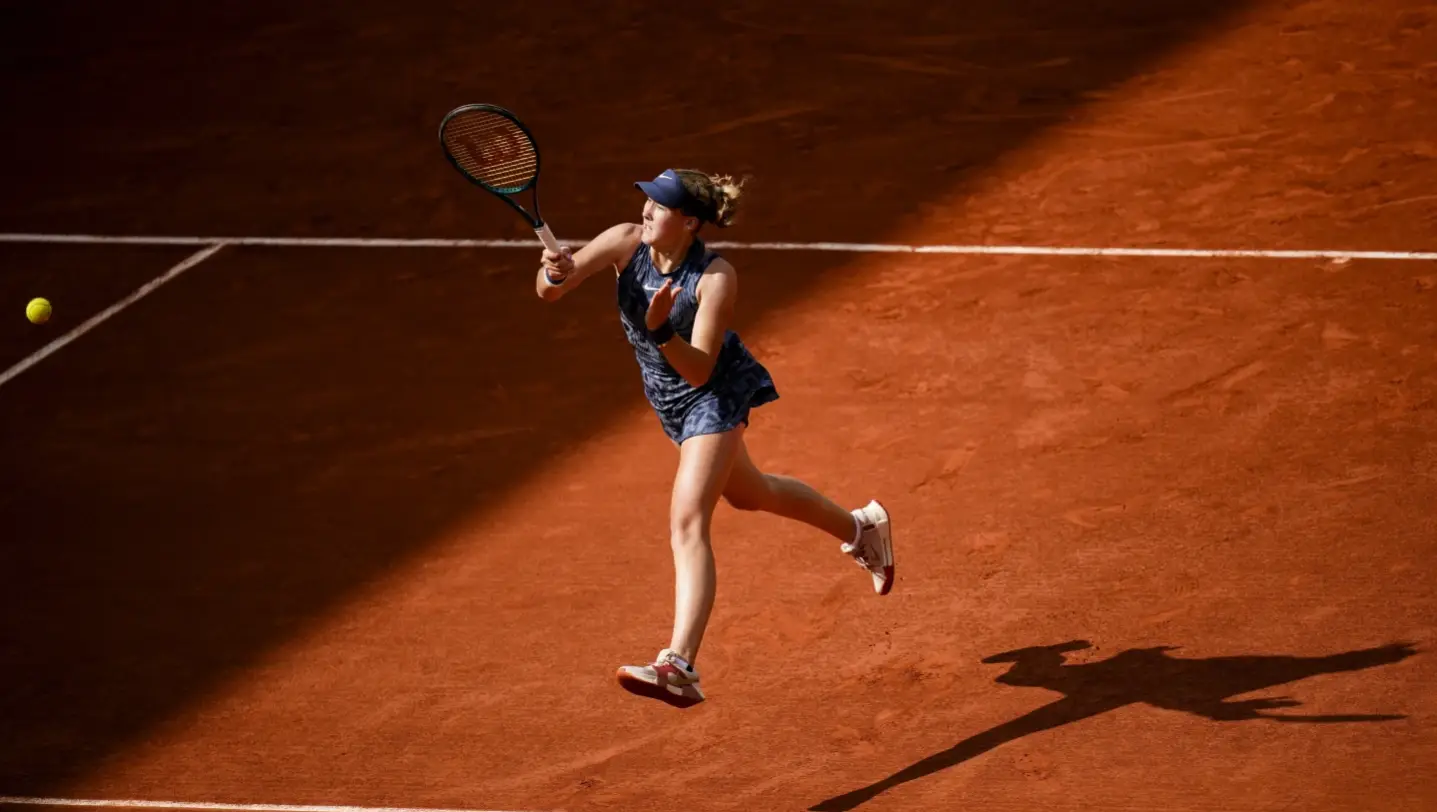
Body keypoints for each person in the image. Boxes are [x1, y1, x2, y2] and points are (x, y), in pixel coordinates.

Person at [535, 168, 895, 708]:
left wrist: (660, 330)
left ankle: (679, 664)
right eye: (646, 202)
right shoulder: (624, 242)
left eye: (659, 206)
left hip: (712, 395)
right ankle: (862, 529)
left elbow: (701, 370)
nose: (646, 212)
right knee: (752, 494)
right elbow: (549, 293)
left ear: (690, 221)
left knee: (686, 521)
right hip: (668, 402)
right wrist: (553, 270)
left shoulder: (714, 277)